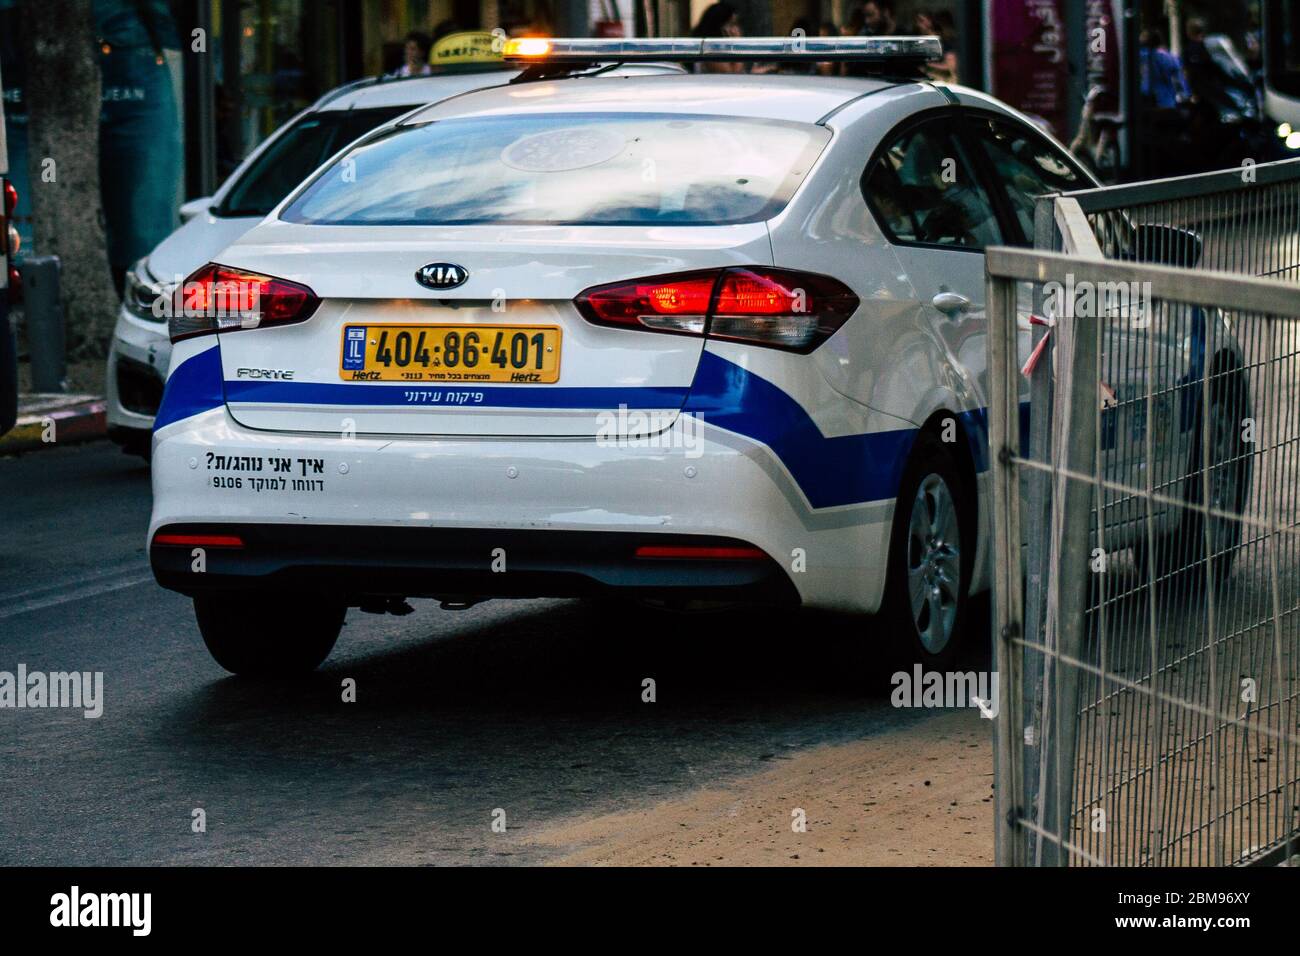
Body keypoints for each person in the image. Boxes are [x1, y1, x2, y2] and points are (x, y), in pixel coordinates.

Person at [692, 3, 743, 74]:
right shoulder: (710, 49)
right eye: (731, 24)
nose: (735, 29)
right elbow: (732, 75)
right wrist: (737, 43)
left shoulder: (724, 48)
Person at [915, 9, 958, 83]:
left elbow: (950, 66)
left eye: (921, 21)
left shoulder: (946, 41)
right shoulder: (921, 41)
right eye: (917, 21)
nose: (918, 25)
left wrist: (926, 66)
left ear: (930, 21)